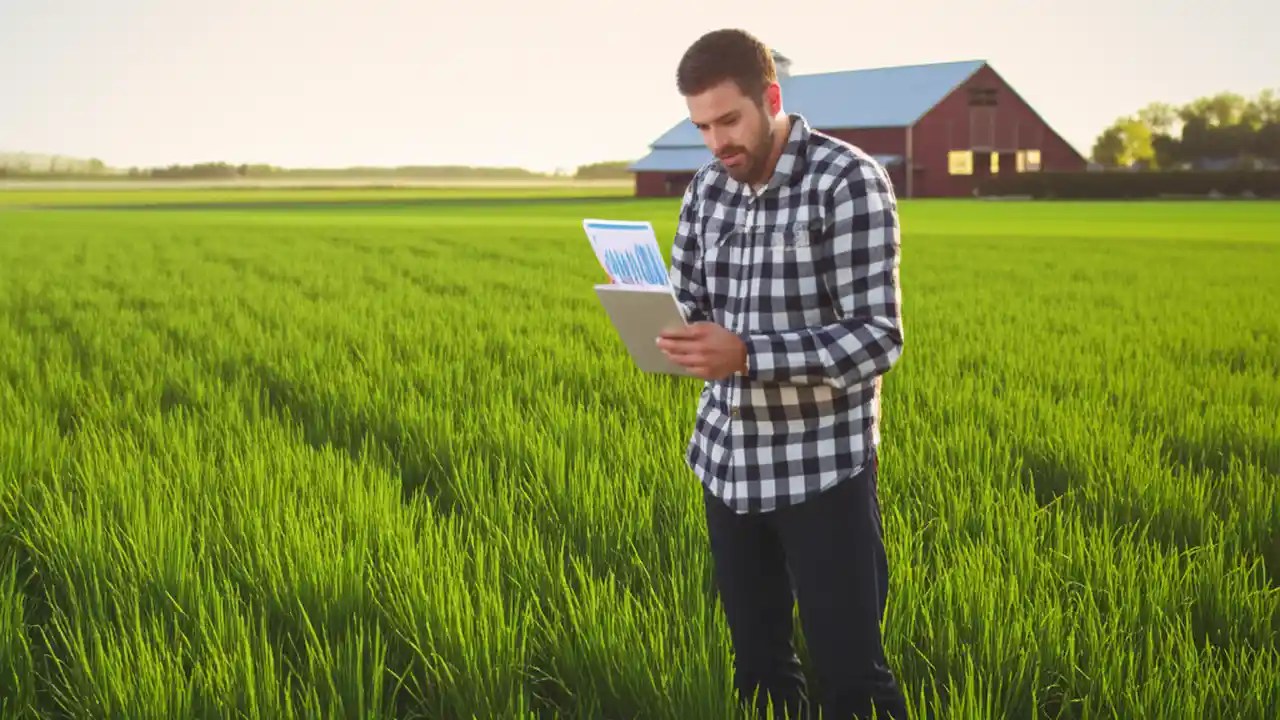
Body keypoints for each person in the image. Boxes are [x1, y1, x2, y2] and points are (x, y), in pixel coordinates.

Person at [654, 28, 910, 720]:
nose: (716, 142)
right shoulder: (708, 191)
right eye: (702, 126)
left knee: (854, 678)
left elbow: (877, 338)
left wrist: (748, 354)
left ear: (770, 98)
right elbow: (696, 308)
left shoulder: (847, 180)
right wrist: (667, 328)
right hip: (725, 464)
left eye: (728, 121)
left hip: (820, 470)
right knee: (760, 671)